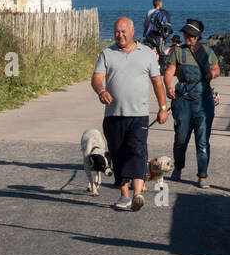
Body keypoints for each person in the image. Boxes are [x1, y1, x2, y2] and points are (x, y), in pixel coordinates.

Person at [90, 17, 168, 212]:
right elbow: (97, 79)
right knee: (118, 155)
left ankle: (137, 194)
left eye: (124, 31)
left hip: (139, 114)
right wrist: (101, 91)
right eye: (117, 31)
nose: (120, 35)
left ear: (132, 31)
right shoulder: (107, 53)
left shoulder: (147, 53)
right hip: (113, 115)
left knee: (137, 150)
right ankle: (124, 195)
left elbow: (157, 82)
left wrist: (163, 107)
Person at [164, 19, 221, 187]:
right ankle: (178, 168)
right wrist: (168, 87)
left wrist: (211, 75)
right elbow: (169, 72)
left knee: (202, 141)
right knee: (181, 138)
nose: (187, 37)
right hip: (183, 99)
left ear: (198, 36)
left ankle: (202, 175)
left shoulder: (207, 51)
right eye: (186, 33)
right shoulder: (177, 52)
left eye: (191, 34)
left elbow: (217, 69)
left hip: (203, 99)